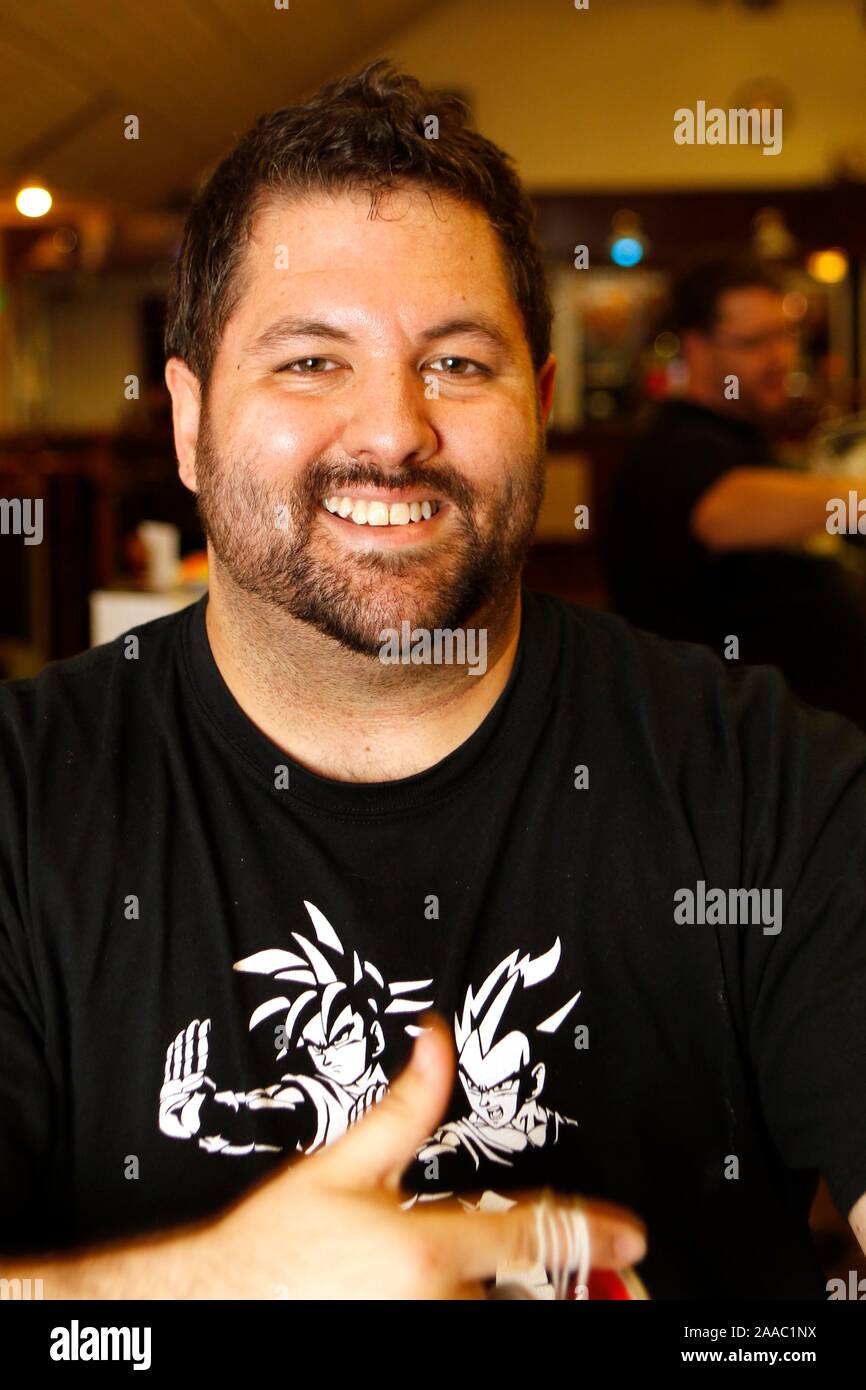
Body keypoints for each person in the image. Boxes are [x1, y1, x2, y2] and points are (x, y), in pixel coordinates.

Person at [1, 62, 866, 1302]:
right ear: (188, 424)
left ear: (542, 406)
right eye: (308, 362)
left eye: (458, 364)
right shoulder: (23, 798)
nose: (394, 429)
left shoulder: (770, 781)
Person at [603, 254, 866, 731]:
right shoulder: (676, 446)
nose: (781, 358)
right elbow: (723, 510)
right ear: (696, 348)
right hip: (722, 754)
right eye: (754, 342)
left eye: (786, 336)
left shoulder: (743, 439)